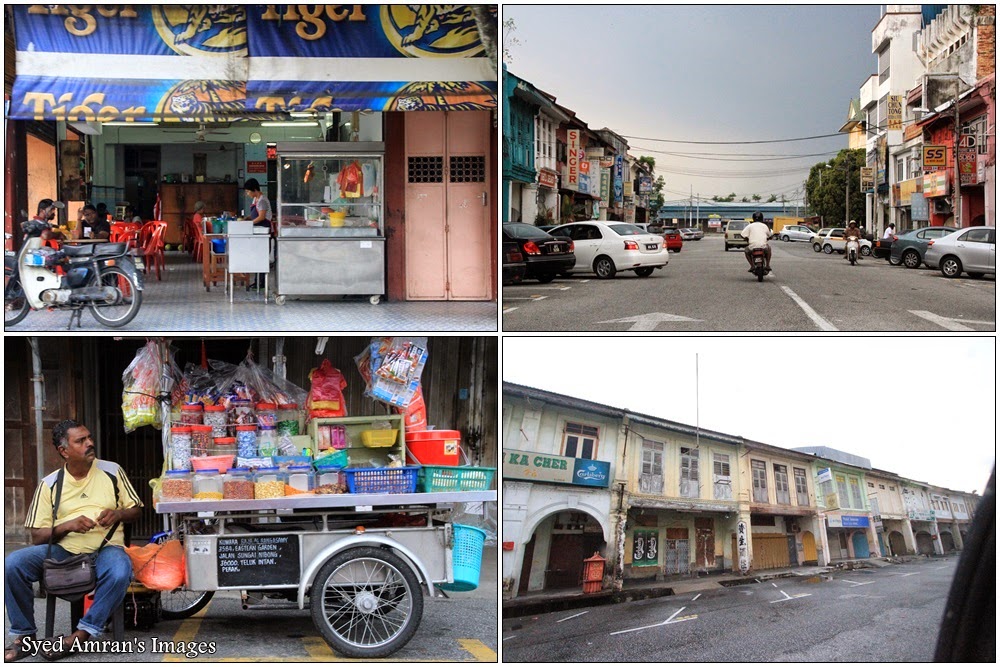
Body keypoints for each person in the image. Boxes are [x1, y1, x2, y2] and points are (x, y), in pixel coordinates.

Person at [4, 420, 142, 662]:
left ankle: (82, 633)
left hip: (106, 550)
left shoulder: (112, 471)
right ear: (64, 451)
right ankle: (24, 636)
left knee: (121, 571)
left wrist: (118, 514)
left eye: (89, 438)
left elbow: (136, 510)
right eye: (81, 441)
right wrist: (67, 526)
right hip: (64, 551)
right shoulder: (50, 484)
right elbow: (37, 535)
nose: (90, 443)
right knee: (13, 564)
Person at [242, 178, 272, 290]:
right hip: (258, 230)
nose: (247, 194)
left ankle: (262, 283)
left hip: (264, 231)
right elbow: (255, 215)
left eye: (248, 191)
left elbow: (262, 216)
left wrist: (249, 223)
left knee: (262, 257)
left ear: (254, 190)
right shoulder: (255, 200)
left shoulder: (262, 200)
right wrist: (247, 218)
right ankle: (257, 281)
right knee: (256, 256)